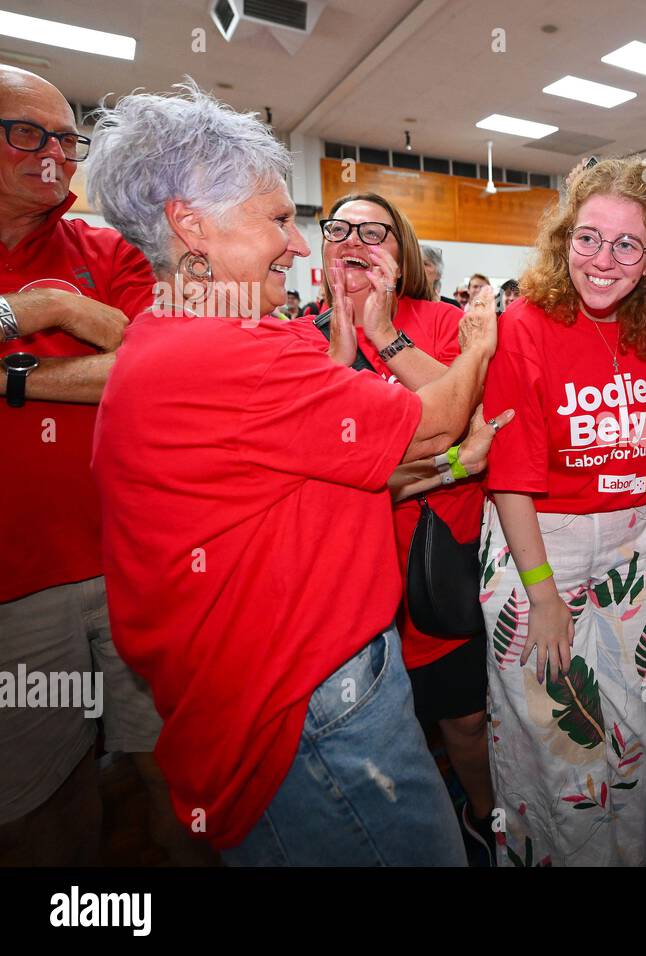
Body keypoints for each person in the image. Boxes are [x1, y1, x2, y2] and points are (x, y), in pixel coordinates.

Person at [82, 81, 500, 866]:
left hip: (269, 697)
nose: (301, 245)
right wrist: (479, 341)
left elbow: (290, 486)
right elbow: (438, 420)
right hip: (311, 712)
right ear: (190, 224)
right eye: (279, 220)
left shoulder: (168, 333)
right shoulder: (229, 352)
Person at [480, 156, 646, 866]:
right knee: (560, 731)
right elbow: (509, 477)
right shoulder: (526, 325)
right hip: (538, 540)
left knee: (636, 713)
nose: (602, 261)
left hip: (638, 541)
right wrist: (543, 596)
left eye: (626, 244)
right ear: (564, 239)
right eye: (587, 238)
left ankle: (634, 850)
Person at [0, 64, 188, 866]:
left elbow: (147, 366)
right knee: (42, 804)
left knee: (171, 778)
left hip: (131, 571)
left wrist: (13, 374)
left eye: (66, 139)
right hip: (16, 595)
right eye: (26, 133)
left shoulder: (106, 248)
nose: (54, 155)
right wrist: (37, 310)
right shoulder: (65, 283)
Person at [317, 190, 500, 864]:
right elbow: (324, 461)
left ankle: (486, 819)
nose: (356, 240)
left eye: (376, 231)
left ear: (403, 251)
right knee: (376, 727)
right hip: (351, 572)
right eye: (340, 228)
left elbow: (474, 424)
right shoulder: (304, 337)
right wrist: (439, 460)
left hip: (440, 559)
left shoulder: (445, 322)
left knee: (465, 717)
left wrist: (385, 333)